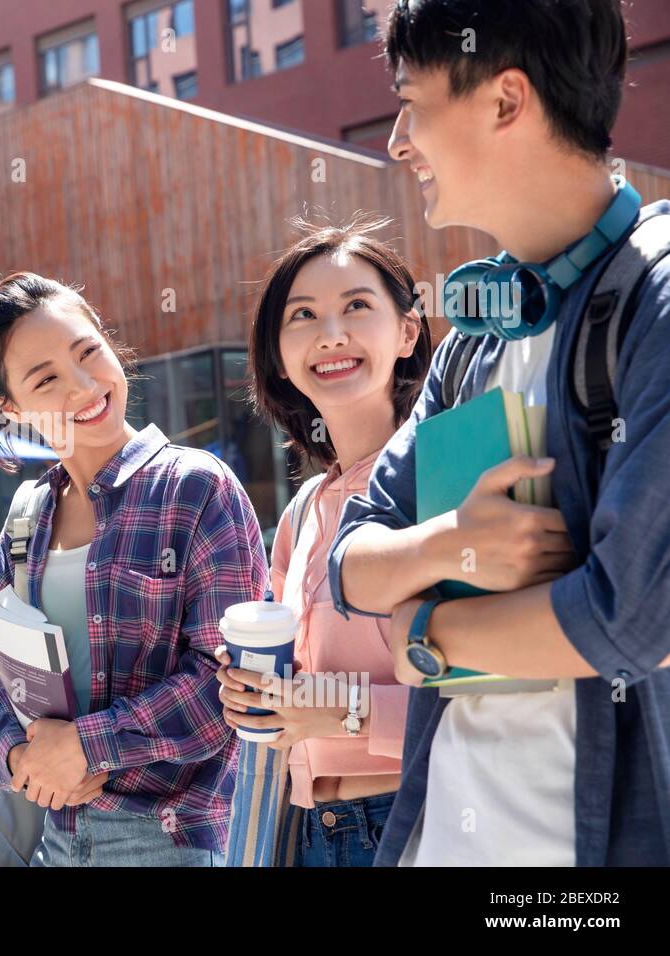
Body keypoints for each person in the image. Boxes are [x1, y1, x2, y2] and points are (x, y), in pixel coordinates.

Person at [328, 0, 670, 865]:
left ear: (506, 100)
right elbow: (350, 558)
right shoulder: (480, 333)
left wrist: (420, 637)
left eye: (413, 103)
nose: (399, 140)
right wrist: (452, 543)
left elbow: (626, 623)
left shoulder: (655, 302)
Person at [0, 272, 267, 866]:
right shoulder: (27, 517)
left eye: (88, 351)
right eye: (47, 379)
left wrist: (88, 747)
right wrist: (19, 759)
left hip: (173, 841)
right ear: (9, 406)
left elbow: (229, 683)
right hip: (54, 838)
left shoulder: (196, 487)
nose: (85, 385)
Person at [217, 217, 431, 866]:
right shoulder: (303, 511)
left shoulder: (442, 478)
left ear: (409, 330)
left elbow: (489, 694)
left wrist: (342, 713)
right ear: (280, 357)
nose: (330, 334)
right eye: (302, 315)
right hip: (312, 834)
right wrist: (252, 695)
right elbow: (295, 690)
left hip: (416, 821)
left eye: (357, 307)